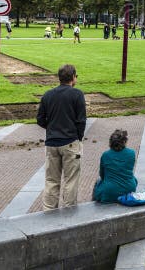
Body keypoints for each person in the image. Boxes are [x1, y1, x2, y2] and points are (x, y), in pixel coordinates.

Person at [36, 64, 87, 210]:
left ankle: (49, 211)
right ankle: (69, 211)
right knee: (71, 180)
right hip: (70, 141)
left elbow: (40, 119)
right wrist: (78, 137)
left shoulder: (47, 95)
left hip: (52, 143)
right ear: (73, 77)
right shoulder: (77, 94)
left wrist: (51, 128)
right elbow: (81, 120)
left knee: (51, 180)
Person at [93, 129, 138, 203]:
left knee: (98, 183)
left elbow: (102, 175)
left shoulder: (105, 155)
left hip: (110, 192)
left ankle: (96, 204)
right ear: (124, 141)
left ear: (111, 142)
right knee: (134, 178)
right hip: (129, 189)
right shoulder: (131, 153)